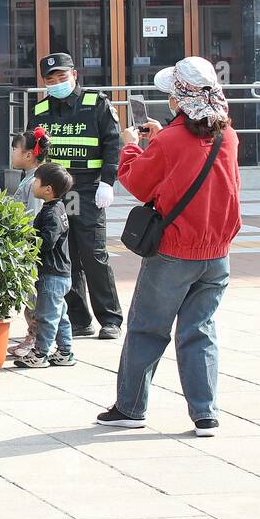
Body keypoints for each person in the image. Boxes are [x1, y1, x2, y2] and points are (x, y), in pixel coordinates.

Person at [97, 57, 240, 437]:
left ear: (180, 97)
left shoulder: (169, 141)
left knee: (147, 328)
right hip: (217, 253)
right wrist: (162, 136)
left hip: (174, 252)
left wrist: (131, 147)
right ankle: (205, 414)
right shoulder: (229, 135)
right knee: (200, 329)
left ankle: (130, 407)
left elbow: (139, 183)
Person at [27, 52, 124, 339]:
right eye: (51, 79)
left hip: (88, 188)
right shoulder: (42, 109)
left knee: (93, 252)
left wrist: (108, 182)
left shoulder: (96, 104)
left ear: (75, 75)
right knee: (64, 253)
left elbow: (112, 144)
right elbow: (37, 150)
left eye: (62, 77)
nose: (57, 82)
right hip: (55, 193)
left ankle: (110, 319)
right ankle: (79, 319)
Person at [13, 162, 77, 369]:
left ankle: (41, 353)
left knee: (47, 316)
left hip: (52, 274)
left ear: (48, 189)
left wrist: (29, 238)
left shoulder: (51, 213)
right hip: (59, 273)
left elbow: (46, 242)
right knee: (59, 315)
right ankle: (65, 351)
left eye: (37, 181)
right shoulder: (56, 208)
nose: (33, 183)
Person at [8, 126, 51, 359]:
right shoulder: (32, 178)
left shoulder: (36, 181)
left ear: (28, 155)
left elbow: (33, 219)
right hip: (30, 248)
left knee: (35, 296)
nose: (12, 153)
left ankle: (36, 338)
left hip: (32, 249)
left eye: (15, 149)